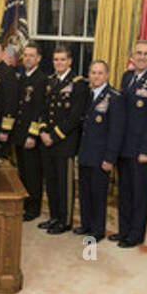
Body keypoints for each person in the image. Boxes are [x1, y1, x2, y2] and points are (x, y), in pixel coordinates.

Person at [112, 40, 147, 249]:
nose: (142, 57)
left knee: (139, 193)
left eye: (146, 54)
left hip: (143, 150)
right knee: (124, 191)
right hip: (124, 147)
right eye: (139, 53)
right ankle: (124, 230)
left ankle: (136, 234)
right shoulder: (127, 77)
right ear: (132, 56)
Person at [39, 45, 89, 234]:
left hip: (64, 143)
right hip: (47, 141)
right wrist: (43, 131)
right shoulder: (50, 81)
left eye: (62, 60)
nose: (58, 63)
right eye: (56, 60)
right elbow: (43, 110)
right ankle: (54, 216)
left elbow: (75, 117)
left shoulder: (78, 84)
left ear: (69, 61)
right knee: (51, 182)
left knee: (64, 184)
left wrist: (54, 136)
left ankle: (65, 220)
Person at [75, 60, 124, 241]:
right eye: (93, 72)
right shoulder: (87, 95)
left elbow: (116, 131)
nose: (96, 76)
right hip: (86, 153)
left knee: (98, 195)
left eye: (100, 73)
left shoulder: (114, 97)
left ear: (107, 76)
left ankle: (97, 230)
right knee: (85, 192)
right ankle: (86, 224)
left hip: (101, 156)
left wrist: (110, 158)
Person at [13, 42, 48, 220]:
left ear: (39, 58)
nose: (27, 58)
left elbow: (40, 111)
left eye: (31, 55)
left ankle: (33, 209)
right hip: (19, 134)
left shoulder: (41, 80)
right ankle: (25, 204)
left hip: (30, 136)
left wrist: (32, 135)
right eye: (25, 55)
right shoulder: (21, 77)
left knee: (33, 174)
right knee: (23, 172)